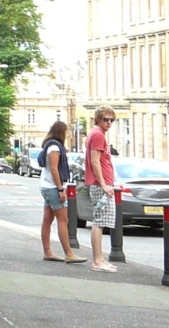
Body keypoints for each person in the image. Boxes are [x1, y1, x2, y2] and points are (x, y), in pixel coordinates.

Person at [38, 120, 81, 263]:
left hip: (46, 186)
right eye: (66, 131)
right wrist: (61, 189)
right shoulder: (55, 148)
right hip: (52, 187)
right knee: (63, 220)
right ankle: (69, 253)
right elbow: (54, 169)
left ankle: (48, 251)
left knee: (47, 219)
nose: (67, 134)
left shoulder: (49, 145)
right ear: (61, 132)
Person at [85, 106, 118, 272]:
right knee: (99, 221)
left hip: (100, 183)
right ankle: (97, 260)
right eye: (106, 119)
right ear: (98, 119)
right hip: (100, 185)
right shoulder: (98, 135)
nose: (109, 122)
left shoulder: (96, 134)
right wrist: (104, 184)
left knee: (101, 221)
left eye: (112, 119)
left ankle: (100, 259)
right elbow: (95, 161)